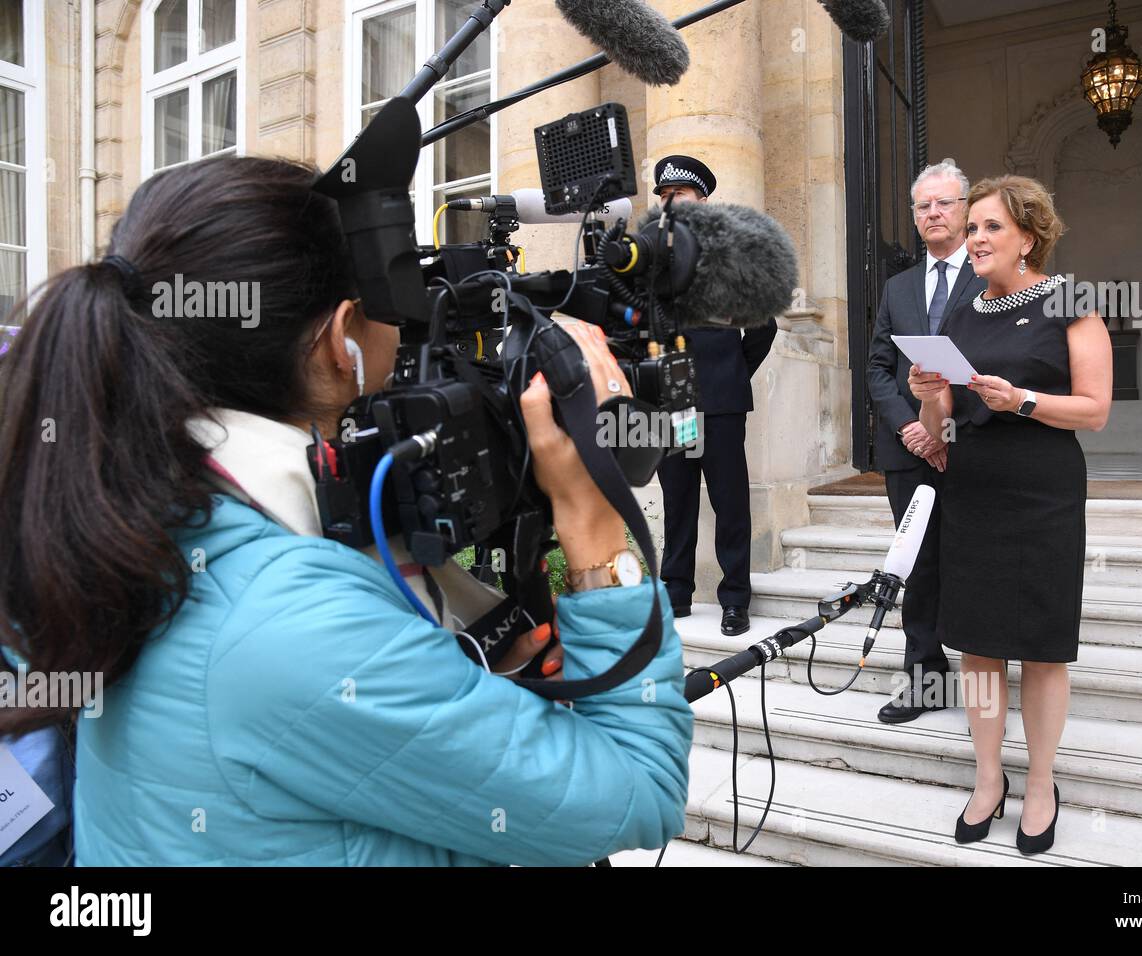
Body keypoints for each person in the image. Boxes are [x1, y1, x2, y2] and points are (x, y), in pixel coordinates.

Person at [0, 156, 693, 866]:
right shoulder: (292, 625)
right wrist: (594, 523)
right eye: (399, 302)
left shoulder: (132, 508)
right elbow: (639, 788)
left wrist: (466, 668)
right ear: (342, 340)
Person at [908, 174, 1111, 855]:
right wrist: (928, 397)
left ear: (1028, 236)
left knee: (1043, 647)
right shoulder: (958, 316)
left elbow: (1095, 408)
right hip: (975, 491)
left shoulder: (1072, 299)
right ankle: (989, 778)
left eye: (991, 227)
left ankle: (1043, 784)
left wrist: (1022, 399)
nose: (976, 238)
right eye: (972, 229)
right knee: (980, 644)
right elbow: (937, 426)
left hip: (1044, 490)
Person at [867, 160, 985, 724]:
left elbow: (997, 363)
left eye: (944, 203)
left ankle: (988, 678)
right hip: (907, 449)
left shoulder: (992, 278)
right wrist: (911, 428)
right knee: (916, 564)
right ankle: (925, 676)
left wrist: (946, 427)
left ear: (966, 210)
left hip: (975, 446)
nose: (933, 213)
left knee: (975, 559)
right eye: (923, 206)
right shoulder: (897, 287)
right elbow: (877, 368)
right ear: (914, 218)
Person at [652, 154, 777, 637]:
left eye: (678, 195)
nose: (670, 203)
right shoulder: (655, 261)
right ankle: (675, 594)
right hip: (672, 403)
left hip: (721, 404)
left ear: (702, 201)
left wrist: (731, 374)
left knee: (729, 501)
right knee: (677, 499)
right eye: (664, 196)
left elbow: (763, 327)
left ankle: (734, 600)